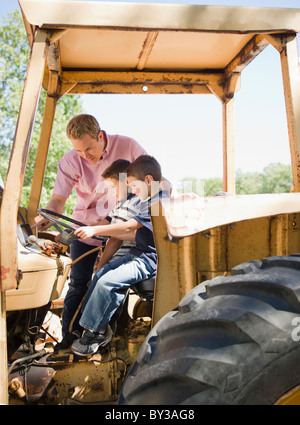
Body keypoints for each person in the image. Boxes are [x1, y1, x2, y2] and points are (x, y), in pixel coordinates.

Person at [32, 114, 147, 347]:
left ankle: (108, 339)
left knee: (114, 282)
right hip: (86, 227)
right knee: (78, 283)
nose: (85, 156)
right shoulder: (70, 161)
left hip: (120, 226)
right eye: (79, 151)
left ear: (101, 136)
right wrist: (47, 217)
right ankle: (68, 340)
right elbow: (57, 201)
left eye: (88, 149)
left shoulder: (128, 147)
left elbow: (152, 180)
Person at [71, 155, 169, 356]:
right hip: (138, 254)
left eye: (134, 186)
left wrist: (94, 230)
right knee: (100, 274)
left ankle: (96, 333)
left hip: (149, 260)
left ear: (149, 180)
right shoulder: (151, 200)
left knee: (108, 282)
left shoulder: (159, 202)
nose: (132, 190)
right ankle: (92, 325)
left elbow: (129, 226)